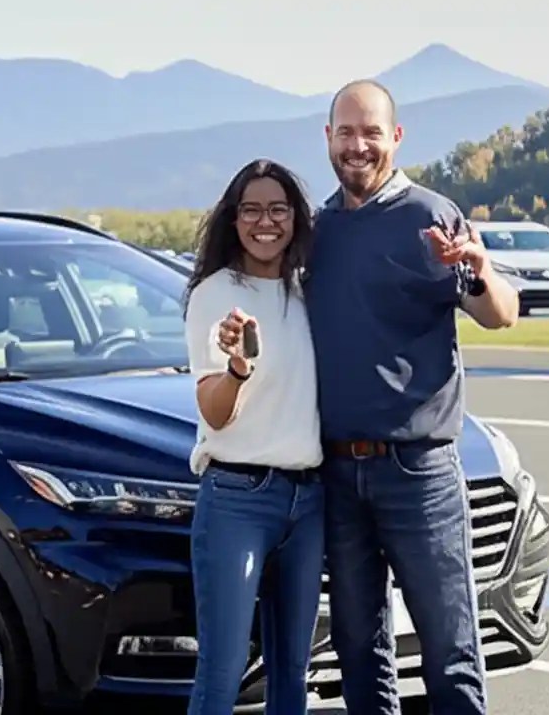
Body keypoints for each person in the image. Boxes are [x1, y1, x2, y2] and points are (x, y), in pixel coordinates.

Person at [304, 79, 520, 715]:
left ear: (395, 138)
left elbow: (499, 314)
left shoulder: (430, 216)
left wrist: (480, 270)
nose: (358, 145)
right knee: (358, 651)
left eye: (372, 132)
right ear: (328, 139)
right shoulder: (318, 231)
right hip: (337, 468)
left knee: (448, 647)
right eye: (346, 132)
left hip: (417, 470)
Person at [182, 158, 323, 715]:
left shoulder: (307, 291)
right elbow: (214, 414)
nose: (266, 222)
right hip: (238, 500)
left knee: (292, 671)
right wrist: (238, 368)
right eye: (252, 210)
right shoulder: (215, 296)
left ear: (296, 217)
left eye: (278, 209)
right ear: (233, 219)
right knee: (223, 671)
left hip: (310, 500)